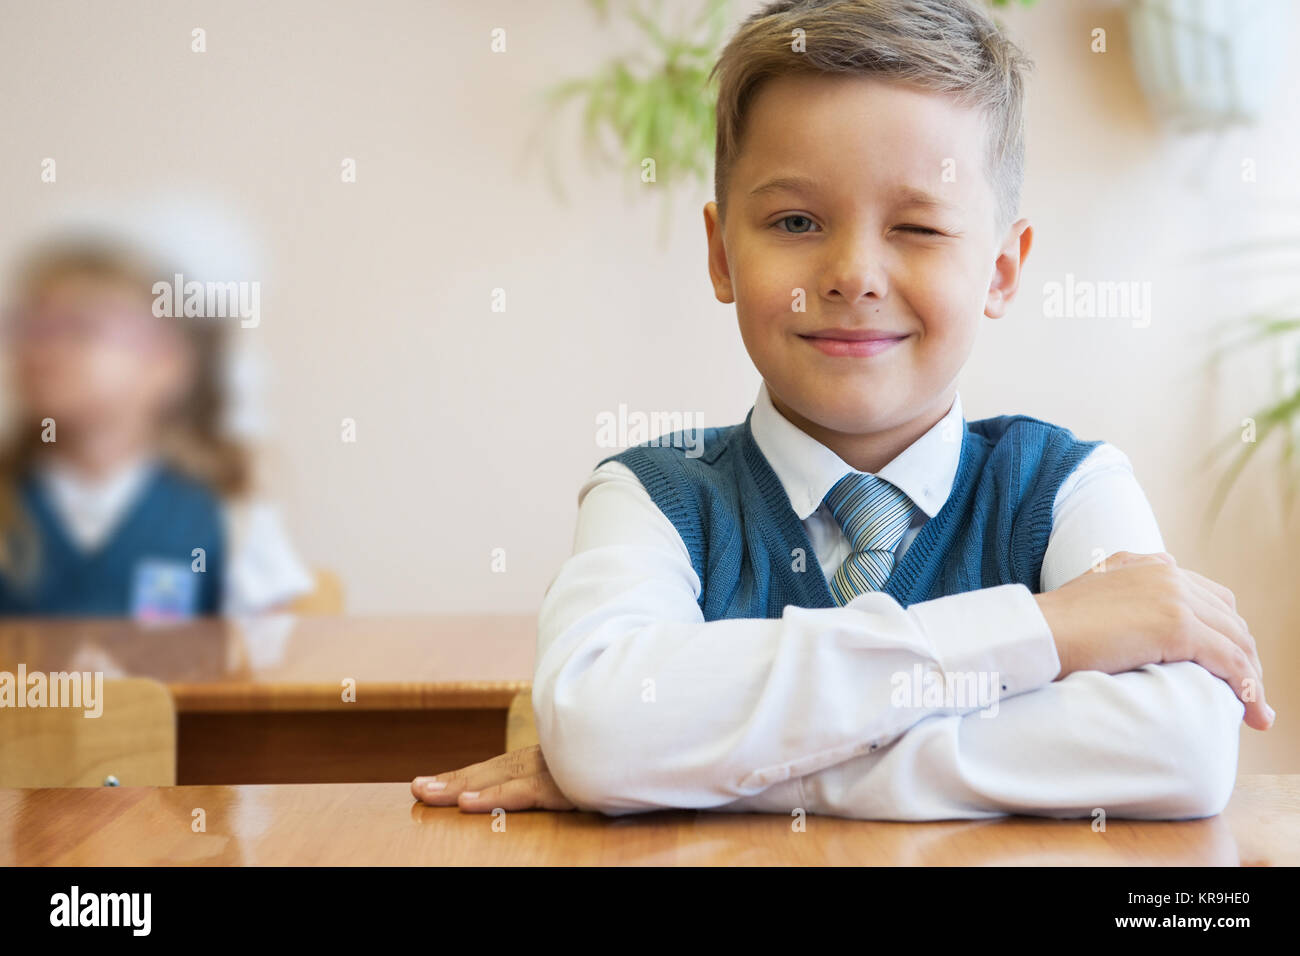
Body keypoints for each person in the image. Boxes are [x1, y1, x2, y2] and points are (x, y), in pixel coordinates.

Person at [413, 0, 1272, 820]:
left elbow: (1184, 750)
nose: (853, 273)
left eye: (919, 229)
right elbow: (602, 726)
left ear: (1003, 271)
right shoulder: (652, 496)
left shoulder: (1070, 488)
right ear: (720, 255)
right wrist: (1040, 631)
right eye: (795, 220)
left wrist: (715, 767)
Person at [0, 205, 313, 617]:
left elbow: (268, 666)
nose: (44, 349)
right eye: (32, 327)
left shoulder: (228, 512)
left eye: (82, 327)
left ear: (169, 363)